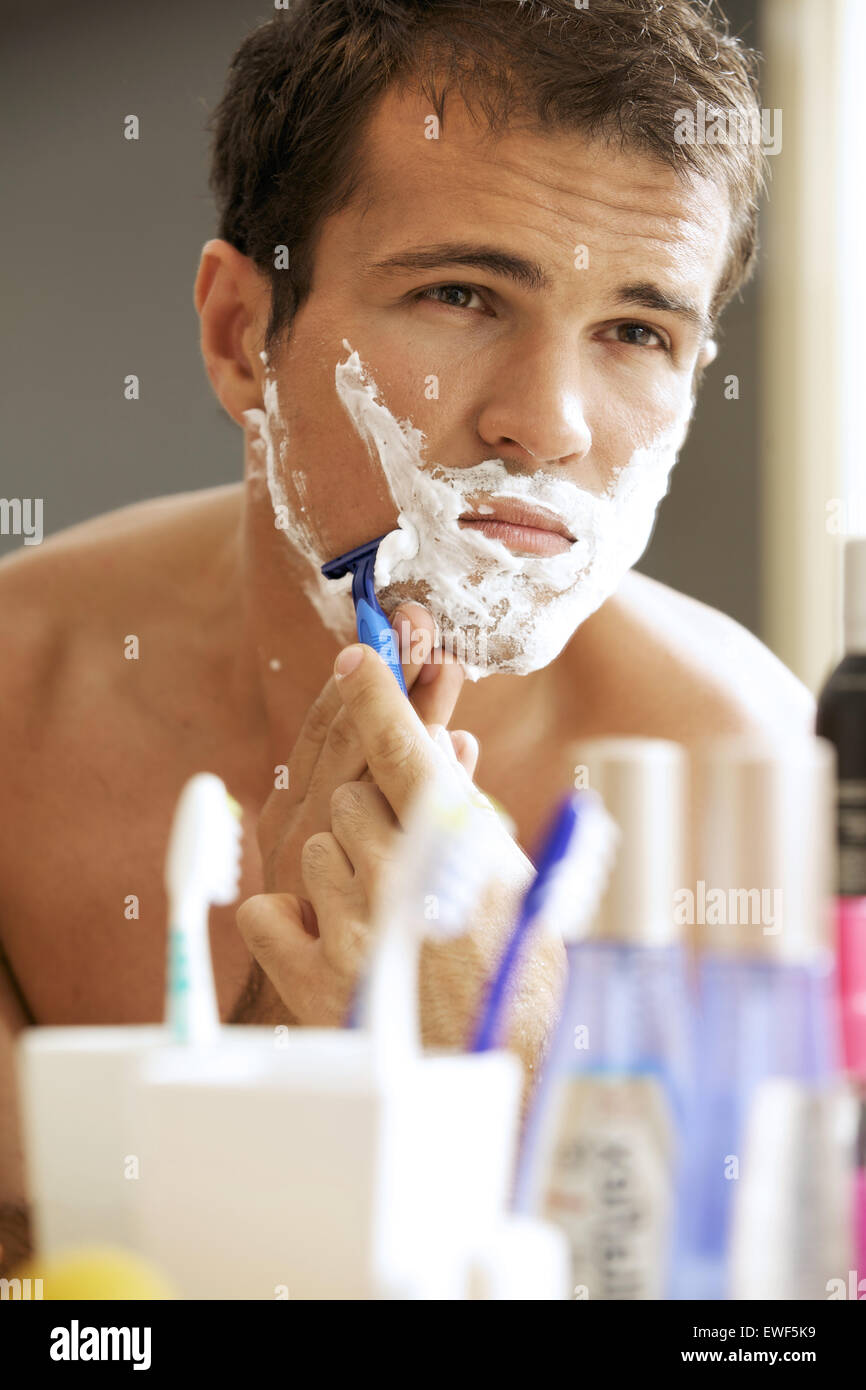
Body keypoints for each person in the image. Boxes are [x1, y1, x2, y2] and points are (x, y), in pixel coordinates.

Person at [0, 0, 812, 1272]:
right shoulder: (13, 710)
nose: (545, 421)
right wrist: (291, 1041)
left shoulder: (743, 780)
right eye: (459, 293)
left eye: (635, 332)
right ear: (238, 338)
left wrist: (522, 1057)